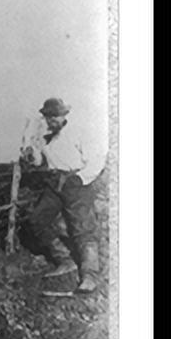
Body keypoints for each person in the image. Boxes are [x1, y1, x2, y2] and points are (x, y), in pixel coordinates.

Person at [22, 97, 106, 294]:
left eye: (55, 117)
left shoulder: (79, 132)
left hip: (77, 183)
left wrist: (80, 178)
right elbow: (39, 162)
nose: (51, 121)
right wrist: (31, 154)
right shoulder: (46, 138)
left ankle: (90, 277)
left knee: (83, 229)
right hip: (54, 183)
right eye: (48, 117)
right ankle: (65, 260)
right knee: (36, 221)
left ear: (63, 115)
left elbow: (96, 159)